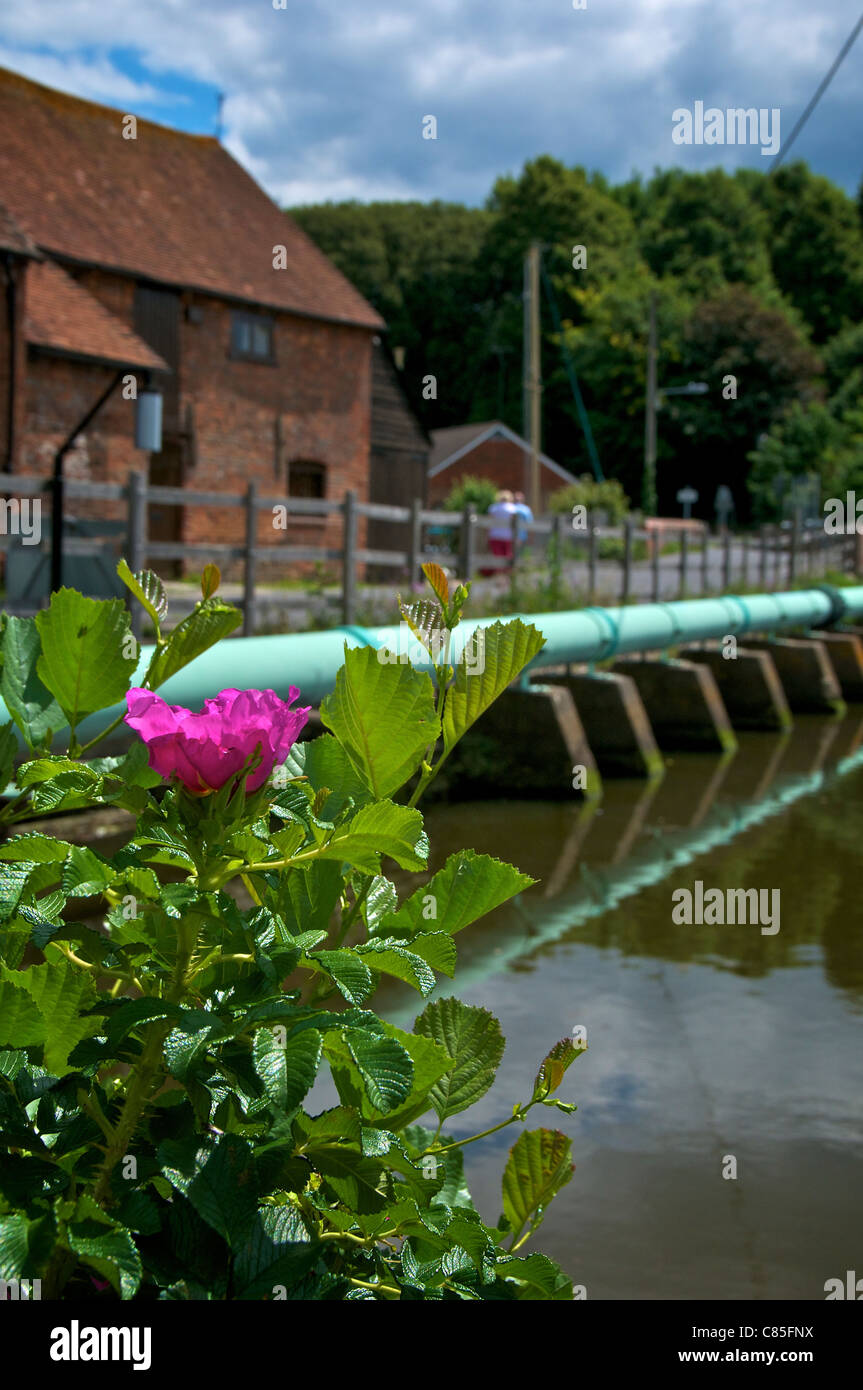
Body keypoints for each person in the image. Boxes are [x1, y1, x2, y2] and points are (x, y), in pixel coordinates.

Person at [481, 489, 517, 575]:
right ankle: (506, 575)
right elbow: (515, 523)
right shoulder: (512, 508)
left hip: (495, 535)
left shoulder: (494, 507)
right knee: (507, 555)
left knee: (497, 556)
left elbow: (489, 522)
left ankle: (498, 574)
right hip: (507, 536)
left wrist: (487, 535)